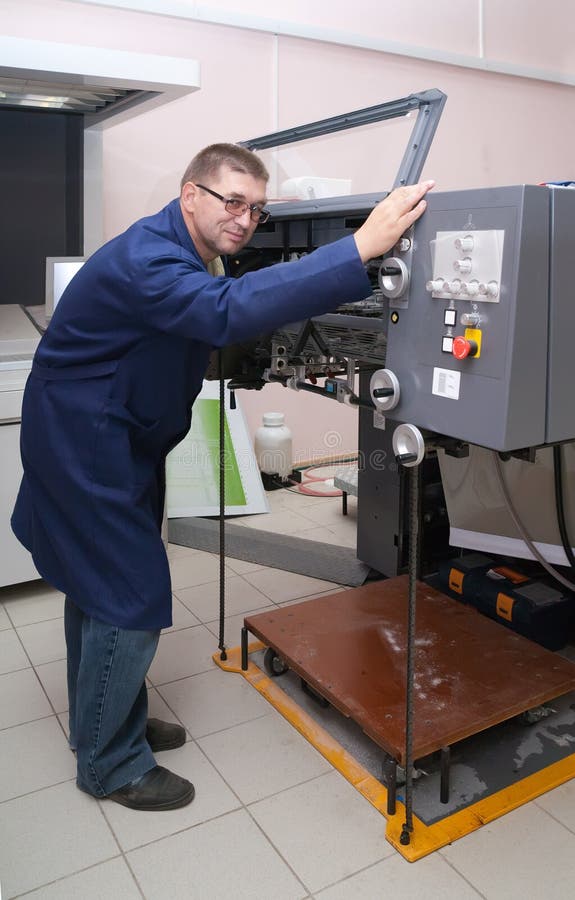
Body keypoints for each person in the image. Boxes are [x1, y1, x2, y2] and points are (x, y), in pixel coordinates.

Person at [12, 143, 433, 811]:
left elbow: (215, 308)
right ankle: (110, 763)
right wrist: (359, 250)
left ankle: (103, 723)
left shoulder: (175, 247)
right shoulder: (149, 259)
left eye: (256, 209)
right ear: (190, 196)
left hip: (104, 435)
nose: (244, 219)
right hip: (88, 446)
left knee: (94, 587)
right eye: (231, 202)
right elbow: (221, 312)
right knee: (129, 595)